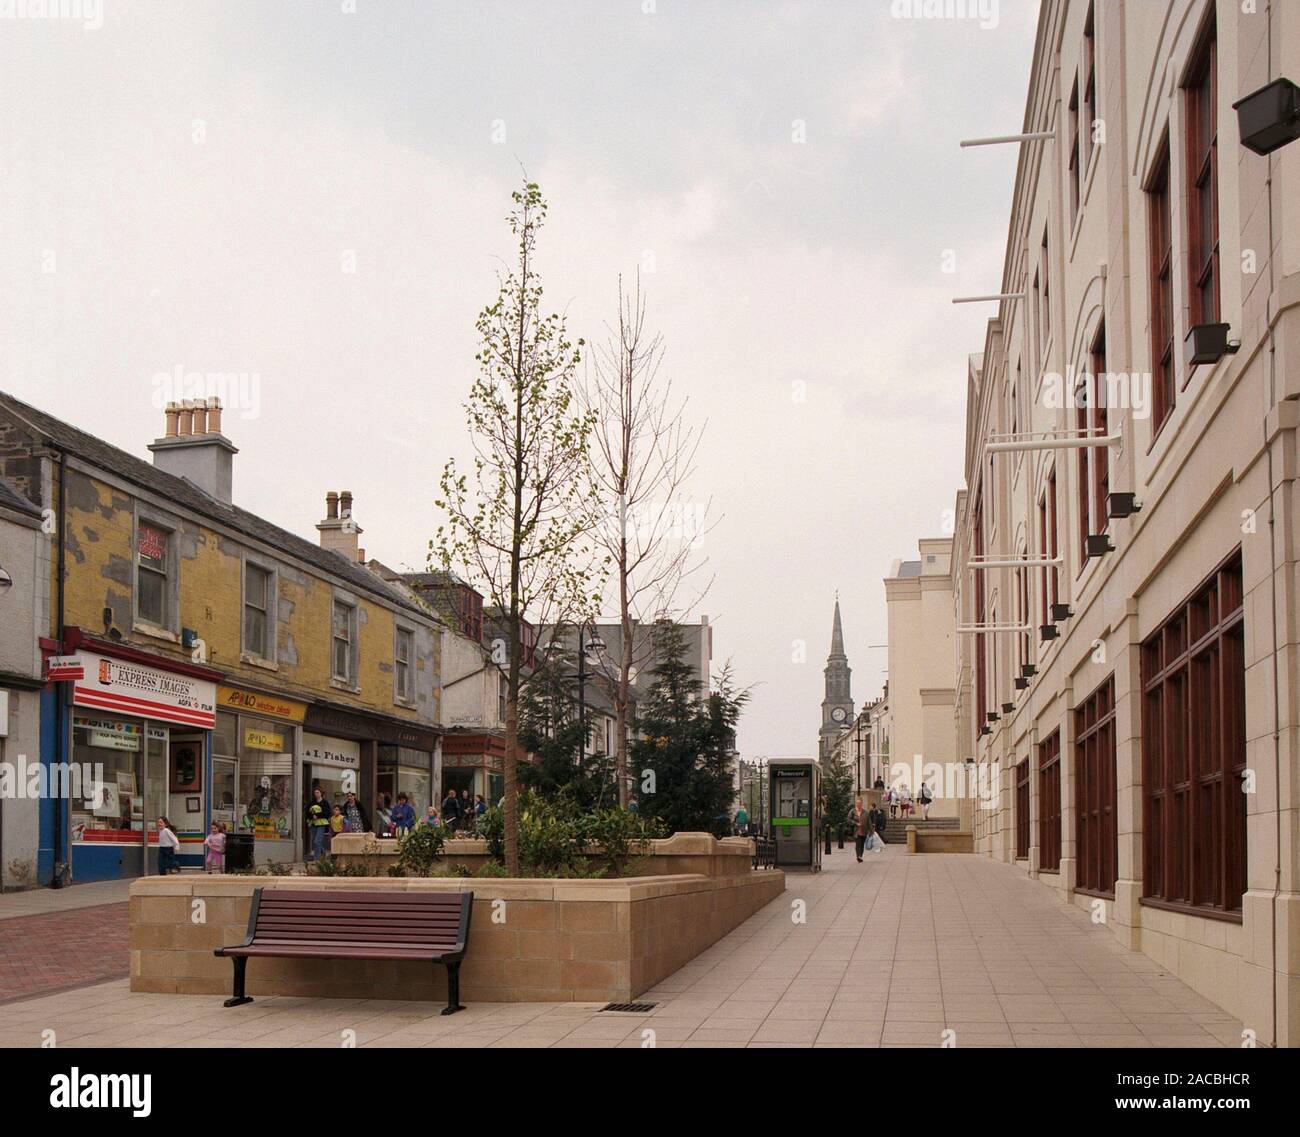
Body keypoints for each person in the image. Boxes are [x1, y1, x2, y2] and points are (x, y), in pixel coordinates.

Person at [304, 786, 331, 862]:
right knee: (316, 841)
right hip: (313, 824)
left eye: (317, 792)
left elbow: (327, 813)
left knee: (317, 841)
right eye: (315, 792)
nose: (316, 794)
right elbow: (306, 812)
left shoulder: (325, 802)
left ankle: (317, 859)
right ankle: (323, 851)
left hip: (321, 824)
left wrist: (318, 815)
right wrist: (312, 816)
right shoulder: (312, 802)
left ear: (321, 793)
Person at [849, 796, 871, 862]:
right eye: (857, 803)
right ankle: (858, 856)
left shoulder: (865, 812)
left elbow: (869, 822)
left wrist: (871, 831)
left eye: (860, 803)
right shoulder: (852, 811)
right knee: (858, 844)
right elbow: (848, 819)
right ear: (856, 804)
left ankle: (860, 856)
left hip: (864, 831)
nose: (858, 804)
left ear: (862, 804)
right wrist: (855, 823)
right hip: (856, 831)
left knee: (862, 844)